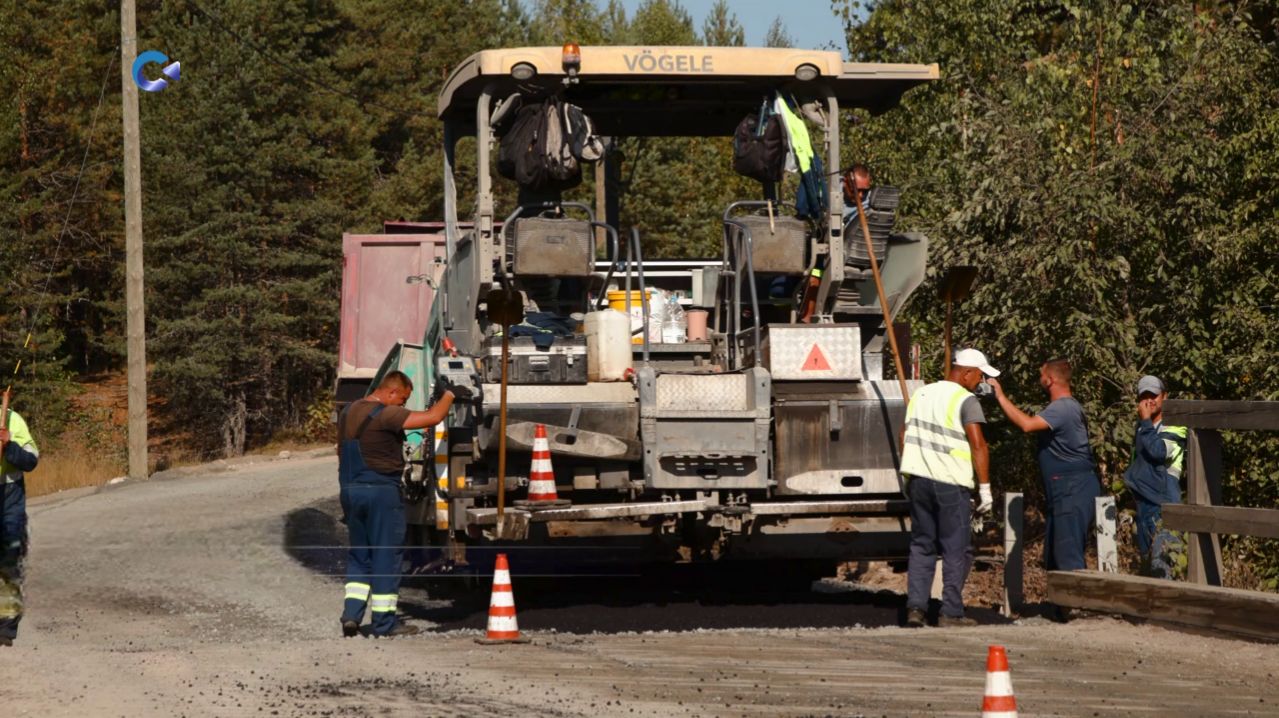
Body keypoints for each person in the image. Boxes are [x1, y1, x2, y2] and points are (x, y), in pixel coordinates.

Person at [336, 370, 466, 638]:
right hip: (381, 492)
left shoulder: (348, 411)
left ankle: (351, 615)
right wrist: (452, 394)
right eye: (403, 399)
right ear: (391, 392)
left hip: (350, 491)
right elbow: (433, 418)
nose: (403, 405)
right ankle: (384, 624)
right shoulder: (386, 413)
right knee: (386, 556)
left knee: (361, 554)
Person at [900, 348, 997, 628]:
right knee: (957, 549)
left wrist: (905, 474)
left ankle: (915, 610)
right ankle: (950, 613)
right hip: (950, 484)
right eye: (979, 375)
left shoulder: (922, 394)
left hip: (918, 480)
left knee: (922, 546)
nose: (980, 382)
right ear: (966, 373)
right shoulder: (965, 400)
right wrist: (985, 488)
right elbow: (978, 444)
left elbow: (904, 435)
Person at [989, 359, 1100, 572]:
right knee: (1055, 558)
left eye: (1041, 375)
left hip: (1072, 490)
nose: (1039, 379)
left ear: (1050, 380)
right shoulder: (1066, 407)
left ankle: (1074, 605)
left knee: (1068, 559)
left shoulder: (1063, 408)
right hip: (1066, 491)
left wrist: (1000, 396)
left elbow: (1027, 425)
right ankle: (1061, 605)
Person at [1122, 375, 1186, 579]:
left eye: (1154, 395)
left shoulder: (1176, 426)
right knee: (1147, 565)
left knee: (1162, 566)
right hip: (1144, 504)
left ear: (1164, 396)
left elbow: (1159, 452)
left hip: (1165, 504)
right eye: (1144, 396)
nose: (1149, 401)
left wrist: (1146, 422)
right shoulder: (1142, 427)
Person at [1, 399, 39, 647]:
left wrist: (9, 445)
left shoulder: (12, 418)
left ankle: (6, 626)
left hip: (9, 496)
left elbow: (31, 460)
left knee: (9, 561)